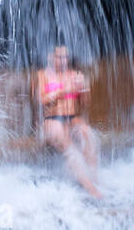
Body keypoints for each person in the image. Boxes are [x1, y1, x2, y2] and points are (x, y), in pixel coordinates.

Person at [34, 45, 102, 198]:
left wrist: (84, 88)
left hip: (71, 117)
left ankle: (93, 178)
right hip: (52, 118)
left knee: (87, 134)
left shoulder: (75, 74)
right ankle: (90, 188)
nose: (63, 60)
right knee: (69, 146)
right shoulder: (42, 75)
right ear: (51, 58)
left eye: (65, 57)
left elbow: (85, 103)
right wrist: (61, 92)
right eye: (59, 57)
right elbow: (40, 100)